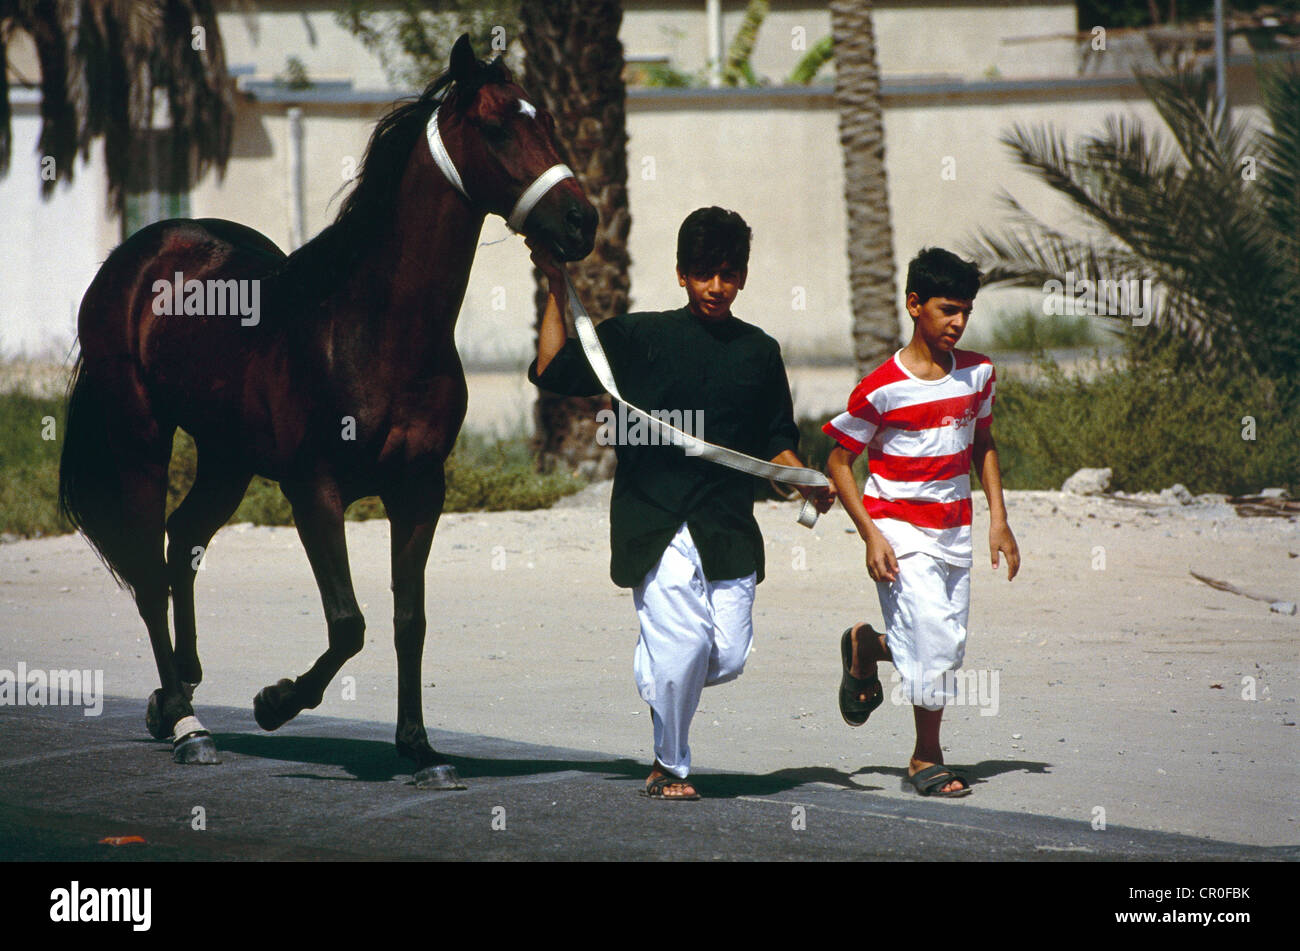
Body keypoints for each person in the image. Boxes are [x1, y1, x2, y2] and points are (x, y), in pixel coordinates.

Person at [527, 207, 833, 800]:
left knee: (728, 656)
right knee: (685, 649)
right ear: (680, 274)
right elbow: (550, 369)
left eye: (728, 274)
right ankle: (670, 765)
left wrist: (801, 478)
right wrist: (553, 288)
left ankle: (657, 668)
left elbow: (777, 440)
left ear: (742, 276)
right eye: (703, 273)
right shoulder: (639, 338)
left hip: (726, 528)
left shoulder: (759, 352)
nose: (716, 287)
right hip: (655, 517)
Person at [822, 247, 1020, 797]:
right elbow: (838, 461)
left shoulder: (978, 374)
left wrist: (998, 521)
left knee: (946, 644)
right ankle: (924, 758)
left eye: (966, 312)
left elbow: (983, 443)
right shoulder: (881, 387)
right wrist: (871, 534)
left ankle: (868, 646)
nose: (957, 322)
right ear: (914, 305)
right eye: (946, 309)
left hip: (953, 529)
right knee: (933, 638)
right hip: (898, 532)